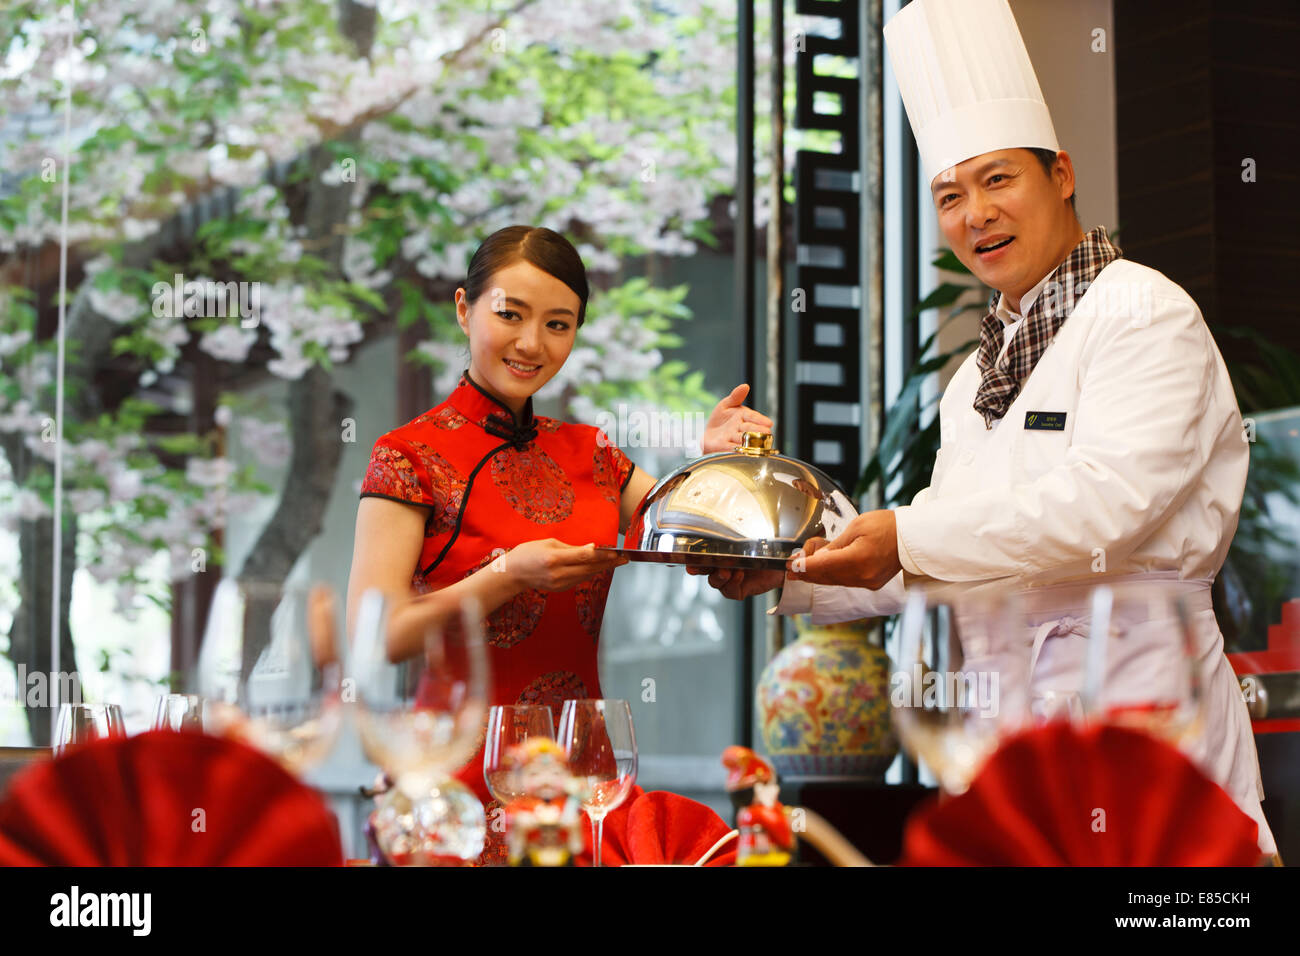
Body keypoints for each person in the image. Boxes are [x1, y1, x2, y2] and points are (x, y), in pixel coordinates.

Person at [700, 0, 1276, 859]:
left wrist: (907, 534)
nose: (975, 214)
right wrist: (778, 554)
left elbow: (1102, 510)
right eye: (949, 195)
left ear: (1063, 174)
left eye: (998, 179)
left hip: (1147, 719)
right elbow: (949, 554)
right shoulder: (976, 375)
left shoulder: (1143, 311)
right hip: (1006, 754)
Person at [346, 225, 771, 813]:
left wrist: (712, 463)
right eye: (511, 314)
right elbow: (377, 639)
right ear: (465, 310)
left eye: (557, 324)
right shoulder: (407, 455)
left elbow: (688, 532)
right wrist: (509, 576)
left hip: (584, 779)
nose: (531, 343)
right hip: (455, 782)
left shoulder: (592, 453)